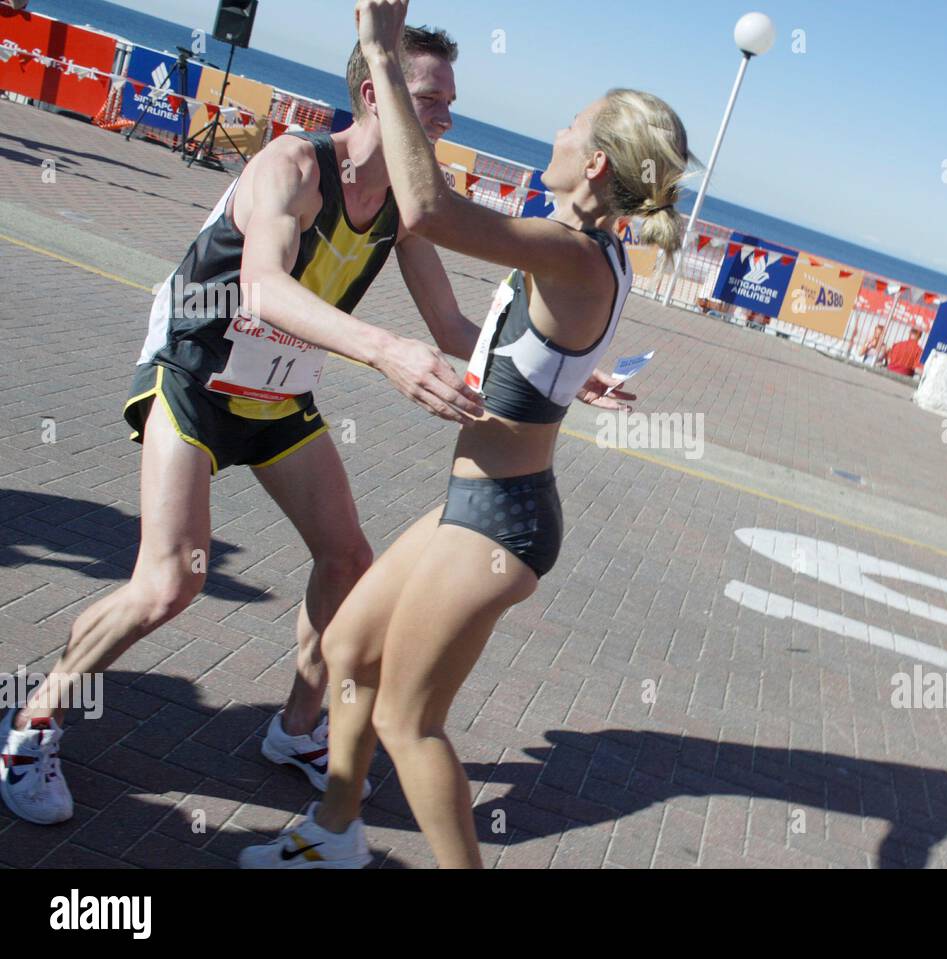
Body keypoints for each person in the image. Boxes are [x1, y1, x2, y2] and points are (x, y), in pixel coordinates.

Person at [0, 24, 623, 826]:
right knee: (170, 581)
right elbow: (259, 286)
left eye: (446, 105)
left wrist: (563, 367)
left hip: (276, 393)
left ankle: (295, 729)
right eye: (431, 101)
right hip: (194, 373)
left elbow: (451, 326)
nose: (446, 121)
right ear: (377, 95)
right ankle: (31, 721)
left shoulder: (400, 203)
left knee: (347, 561)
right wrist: (379, 349)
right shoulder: (293, 165)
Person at [238, 0, 689, 868]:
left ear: (593, 160)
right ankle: (335, 830)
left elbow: (431, 210)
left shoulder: (573, 252)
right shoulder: (576, 246)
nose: (553, 131)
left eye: (570, 126)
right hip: (473, 507)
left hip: (502, 525)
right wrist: (563, 375)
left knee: (411, 724)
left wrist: (376, 48)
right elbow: (524, 339)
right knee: (348, 648)